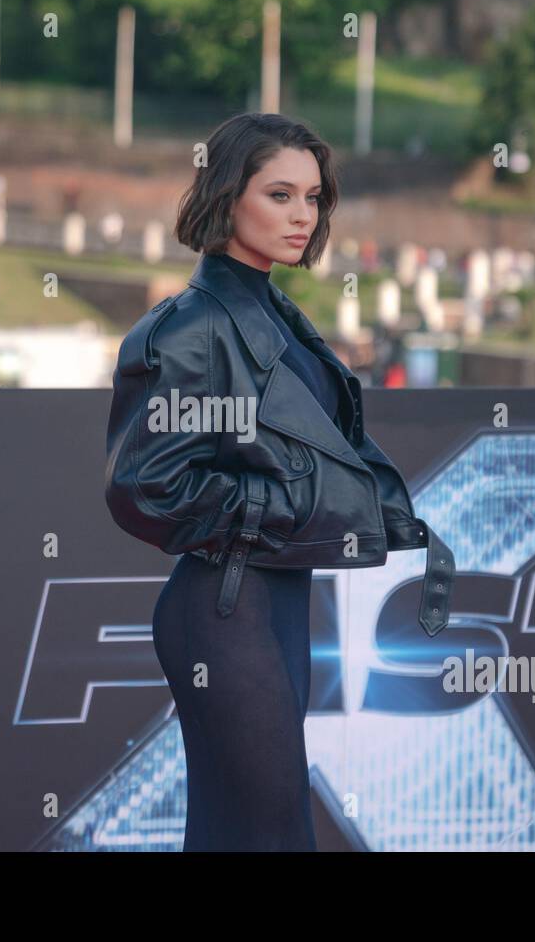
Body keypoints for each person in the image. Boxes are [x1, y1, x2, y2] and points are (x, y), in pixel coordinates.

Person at [104, 113, 454, 851]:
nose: (304, 215)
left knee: (236, 835)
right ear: (230, 196)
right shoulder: (190, 327)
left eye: (314, 198)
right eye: (281, 194)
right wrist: (274, 509)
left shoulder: (277, 314)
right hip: (224, 609)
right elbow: (145, 484)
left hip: (277, 601)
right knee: (272, 834)